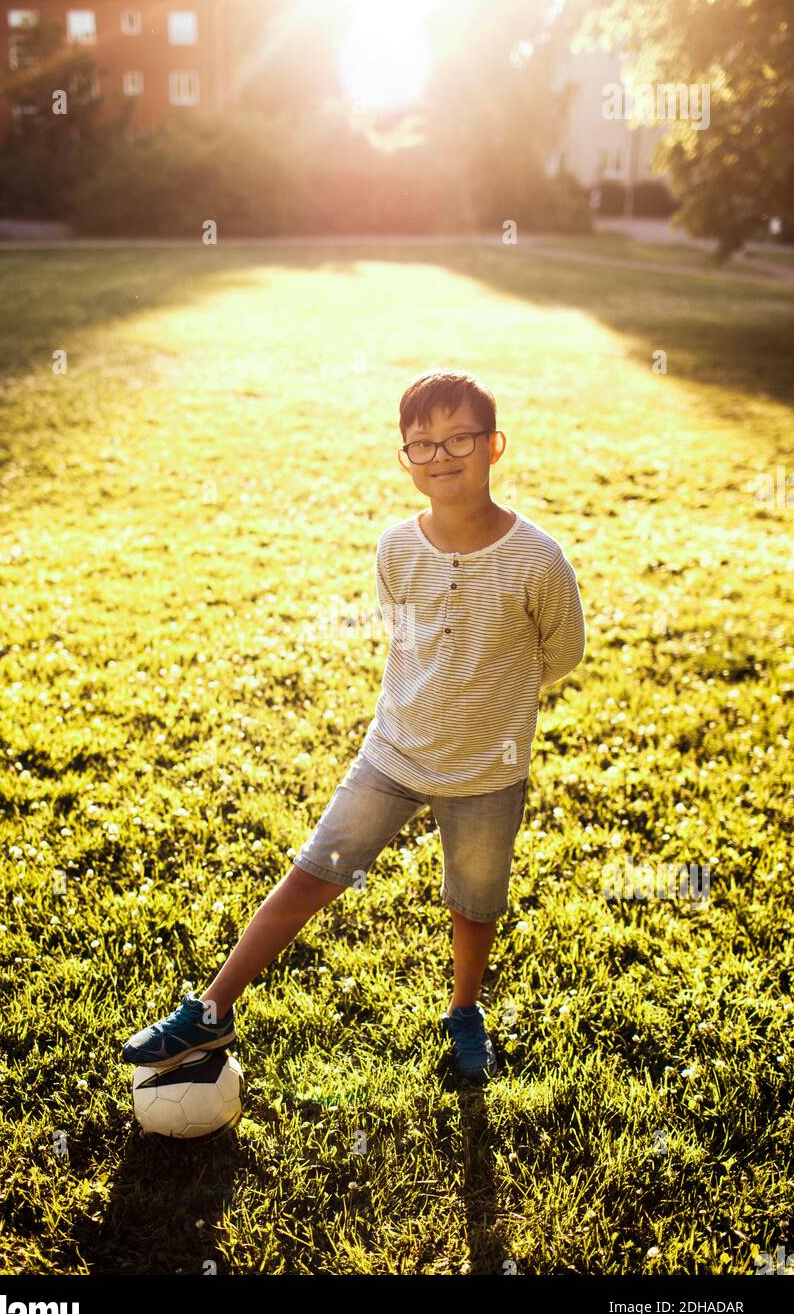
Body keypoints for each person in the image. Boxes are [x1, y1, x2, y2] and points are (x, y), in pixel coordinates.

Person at [122, 367, 586, 1084]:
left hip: (488, 772)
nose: (440, 455)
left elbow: (561, 652)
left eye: (458, 437)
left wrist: (493, 702)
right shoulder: (397, 547)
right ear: (406, 459)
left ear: (494, 446)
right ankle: (210, 1010)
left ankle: (464, 1013)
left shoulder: (538, 559)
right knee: (312, 875)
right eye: (421, 444)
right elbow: (403, 634)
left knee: (474, 903)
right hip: (393, 752)